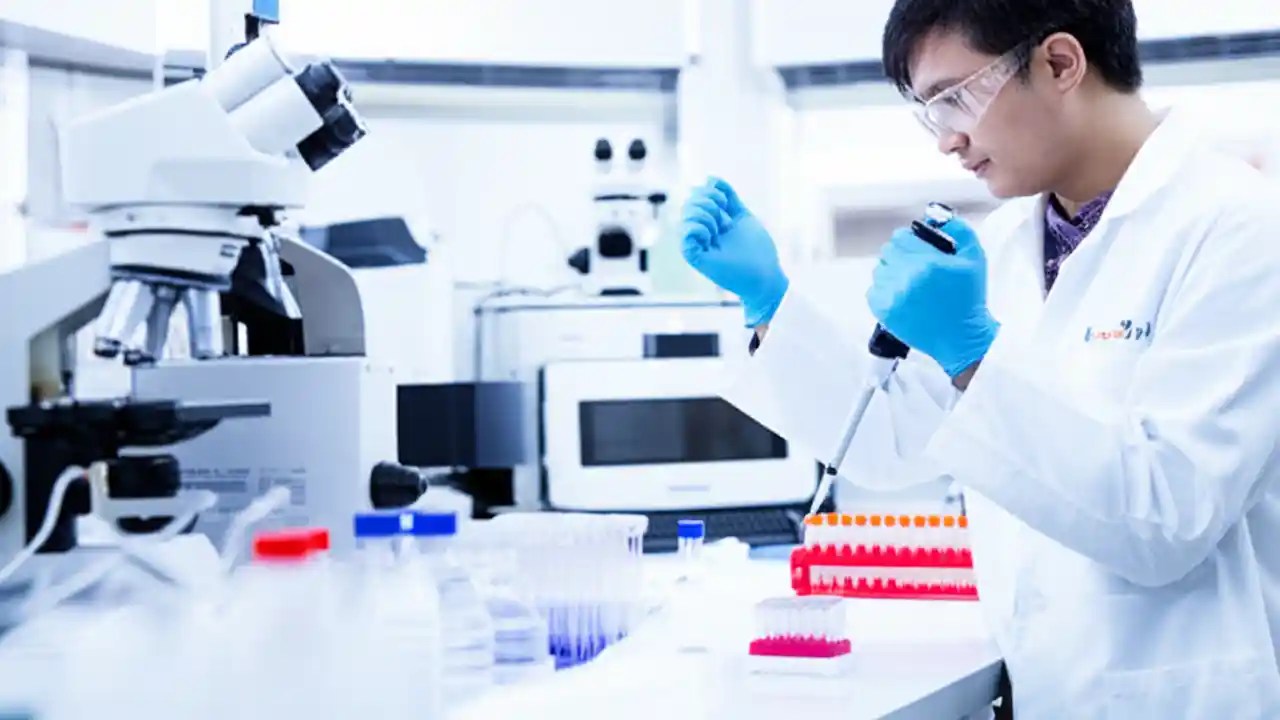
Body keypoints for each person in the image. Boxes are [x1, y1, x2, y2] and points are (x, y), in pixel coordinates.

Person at [679, 0, 1280, 717]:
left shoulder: (1241, 230)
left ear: (1060, 63)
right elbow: (892, 444)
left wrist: (972, 358)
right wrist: (769, 303)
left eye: (955, 97)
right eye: (928, 111)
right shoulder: (1001, 245)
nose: (947, 140)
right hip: (1045, 685)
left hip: (1184, 694)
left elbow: (1167, 515)